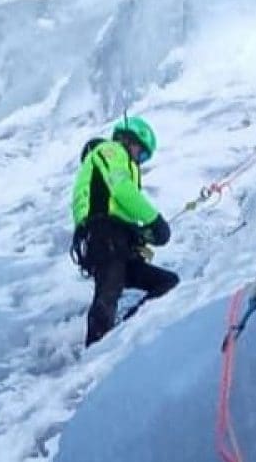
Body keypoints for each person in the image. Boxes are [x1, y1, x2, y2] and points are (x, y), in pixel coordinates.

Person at [70, 116, 179, 346]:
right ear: (129, 140)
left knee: (167, 282)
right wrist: (154, 221)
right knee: (108, 293)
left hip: (116, 240)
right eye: (141, 153)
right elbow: (121, 190)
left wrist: (139, 235)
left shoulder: (113, 162)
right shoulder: (110, 151)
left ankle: (122, 340)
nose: (140, 160)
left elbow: (119, 206)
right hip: (103, 234)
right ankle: (96, 353)